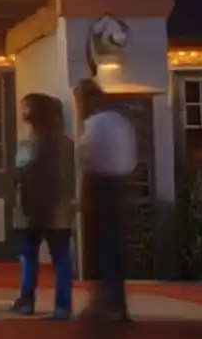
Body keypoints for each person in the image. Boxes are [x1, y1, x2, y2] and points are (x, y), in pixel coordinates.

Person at [10, 93, 76, 321]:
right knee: (61, 258)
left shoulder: (27, 145)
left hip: (30, 208)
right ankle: (62, 306)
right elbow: (71, 177)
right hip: (58, 208)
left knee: (29, 256)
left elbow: (20, 176)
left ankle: (27, 301)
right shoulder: (66, 144)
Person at [75, 78, 135, 323]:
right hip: (121, 185)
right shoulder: (121, 122)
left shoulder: (94, 125)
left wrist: (84, 197)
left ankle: (105, 304)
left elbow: (87, 160)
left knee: (102, 248)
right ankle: (117, 303)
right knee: (114, 247)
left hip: (101, 186)